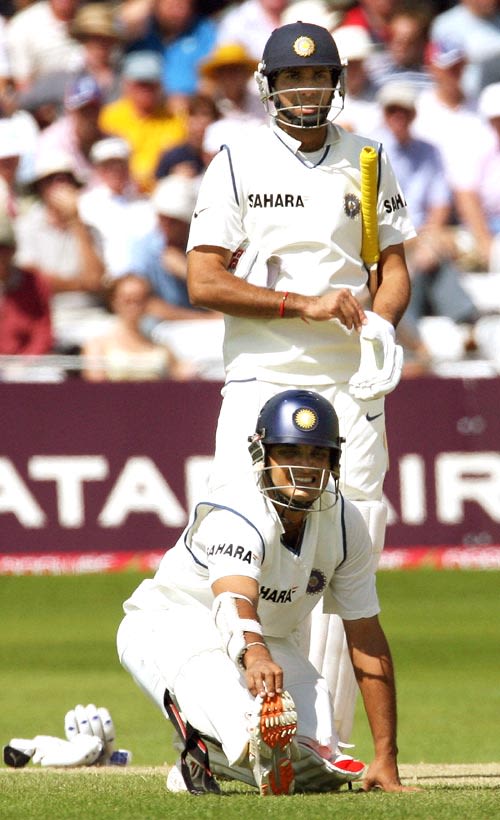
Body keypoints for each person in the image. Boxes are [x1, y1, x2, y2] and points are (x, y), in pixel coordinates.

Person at [186, 21, 415, 744]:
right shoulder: (237, 161)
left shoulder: (369, 159)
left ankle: (328, 741)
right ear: (270, 85)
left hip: (352, 382)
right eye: (292, 79)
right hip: (263, 373)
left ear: (337, 84)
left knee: (354, 538)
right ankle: (228, 726)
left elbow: (393, 271)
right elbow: (202, 278)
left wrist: (381, 326)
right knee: (238, 534)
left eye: (317, 79)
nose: (307, 92)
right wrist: (300, 304)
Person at [117, 389, 416, 796]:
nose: (305, 468)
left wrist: (387, 757)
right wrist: (254, 655)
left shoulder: (346, 524)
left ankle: (248, 756)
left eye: (316, 455)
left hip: (268, 639)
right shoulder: (235, 509)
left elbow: (365, 636)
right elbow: (232, 599)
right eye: (291, 452)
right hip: (173, 624)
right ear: (262, 454)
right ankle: (200, 751)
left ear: (333, 461)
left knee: (319, 749)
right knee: (245, 726)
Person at [98, 50, 187, 193]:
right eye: (140, 84)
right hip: (121, 190)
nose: (146, 90)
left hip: (160, 191)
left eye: (151, 84)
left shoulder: (174, 119)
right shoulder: (110, 117)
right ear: (126, 84)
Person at [82, 273, 196, 381]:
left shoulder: (161, 346)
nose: (133, 307)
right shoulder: (97, 345)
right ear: (114, 301)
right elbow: (95, 387)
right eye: (127, 300)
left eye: (139, 300)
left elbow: (181, 376)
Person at [78, 136, 156, 278]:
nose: (115, 170)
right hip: (107, 283)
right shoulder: (86, 204)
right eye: (108, 166)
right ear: (98, 169)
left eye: (120, 164)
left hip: (145, 281)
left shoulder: (146, 204)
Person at [0, 211, 52, 357]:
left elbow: (43, 332)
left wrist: (25, 362)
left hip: (26, 364)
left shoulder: (34, 282)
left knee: (51, 375)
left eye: (2, 249)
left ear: (12, 250)